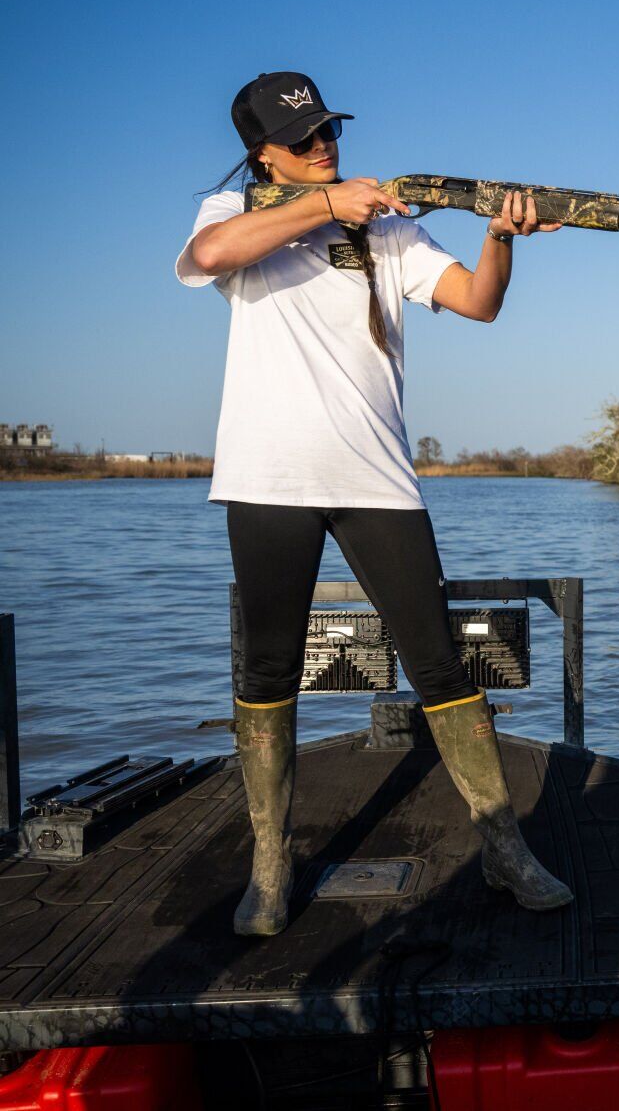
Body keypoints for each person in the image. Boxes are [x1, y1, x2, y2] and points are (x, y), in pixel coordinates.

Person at [177, 71, 571, 935]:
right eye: (306, 138)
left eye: (330, 132)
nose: (324, 146)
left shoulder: (390, 225)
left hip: (377, 478)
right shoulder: (230, 213)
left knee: (438, 665)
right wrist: (329, 205)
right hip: (267, 476)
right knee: (269, 668)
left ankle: (504, 850)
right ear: (264, 153)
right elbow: (212, 259)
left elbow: (478, 303)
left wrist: (504, 238)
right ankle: (271, 869)